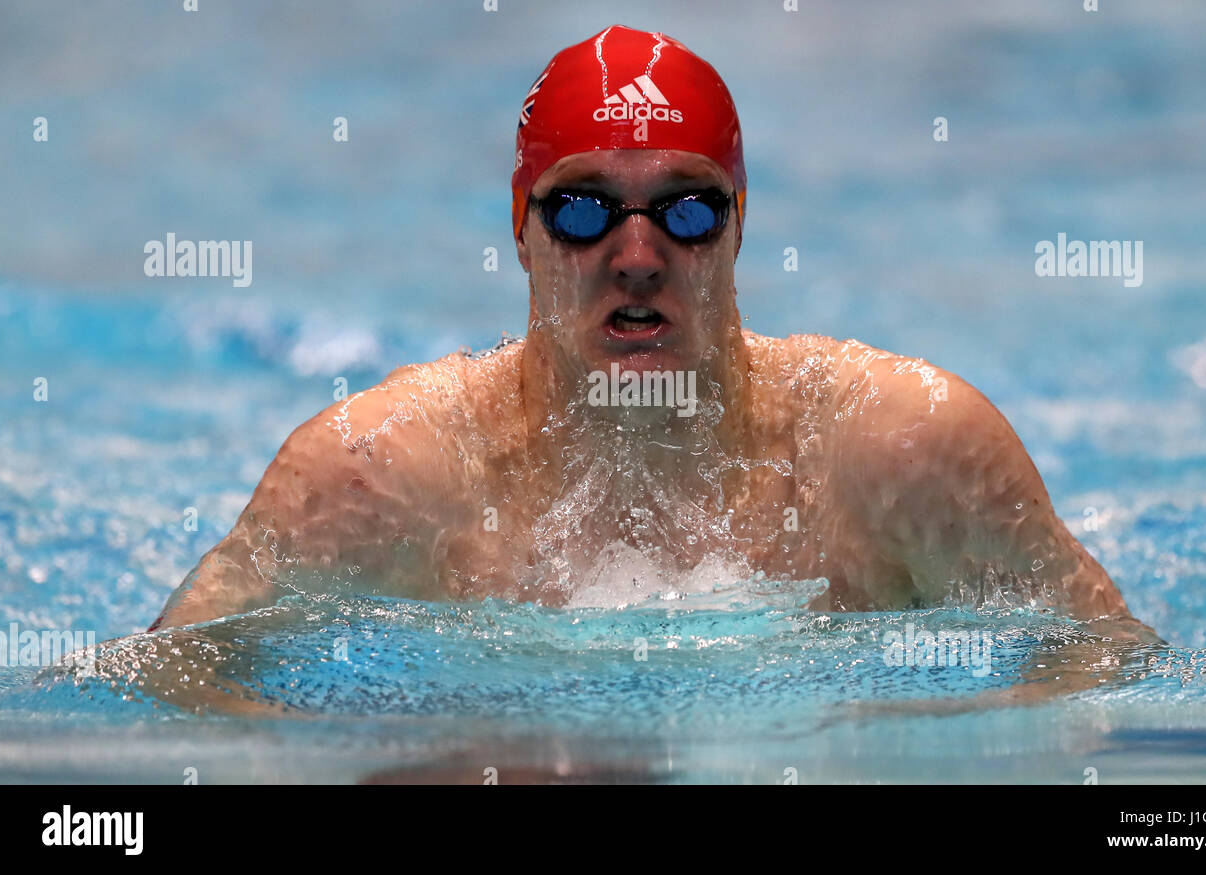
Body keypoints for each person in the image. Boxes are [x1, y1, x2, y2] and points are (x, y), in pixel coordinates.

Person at [150, 25, 1146, 637]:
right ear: (520, 226)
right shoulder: (380, 476)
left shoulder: (900, 452)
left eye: (685, 209)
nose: (636, 255)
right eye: (584, 209)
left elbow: (1107, 691)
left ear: (740, 222)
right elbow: (164, 709)